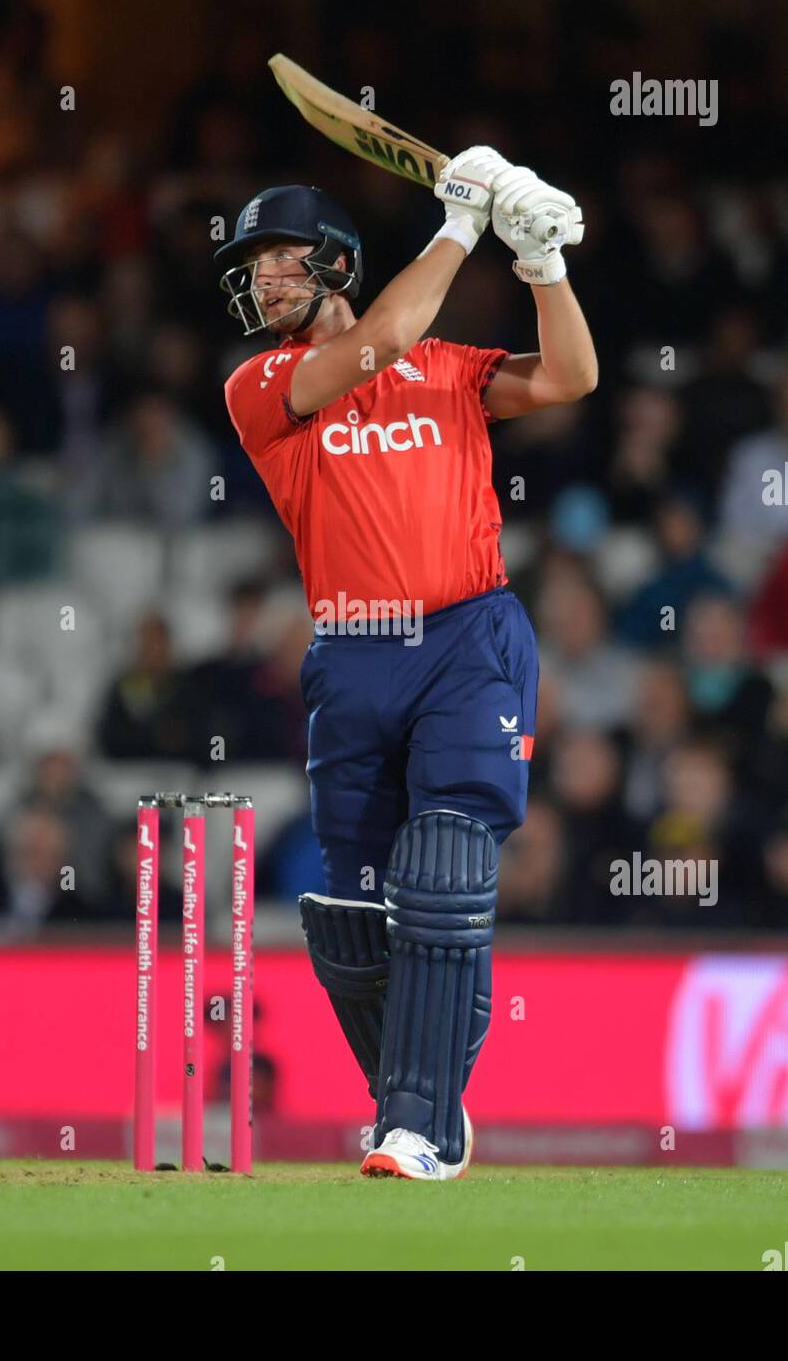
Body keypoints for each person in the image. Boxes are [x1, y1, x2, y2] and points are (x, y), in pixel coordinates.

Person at [217, 152, 598, 1180]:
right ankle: (415, 1098)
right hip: (351, 650)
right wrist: (461, 221)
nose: (262, 283)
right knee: (349, 912)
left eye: (281, 263)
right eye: (253, 269)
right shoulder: (260, 385)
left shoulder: (452, 370)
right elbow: (384, 335)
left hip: (469, 638)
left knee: (442, 872)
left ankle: (416, 1124)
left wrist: (543, 262)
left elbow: (570, 376)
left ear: (335, 262)